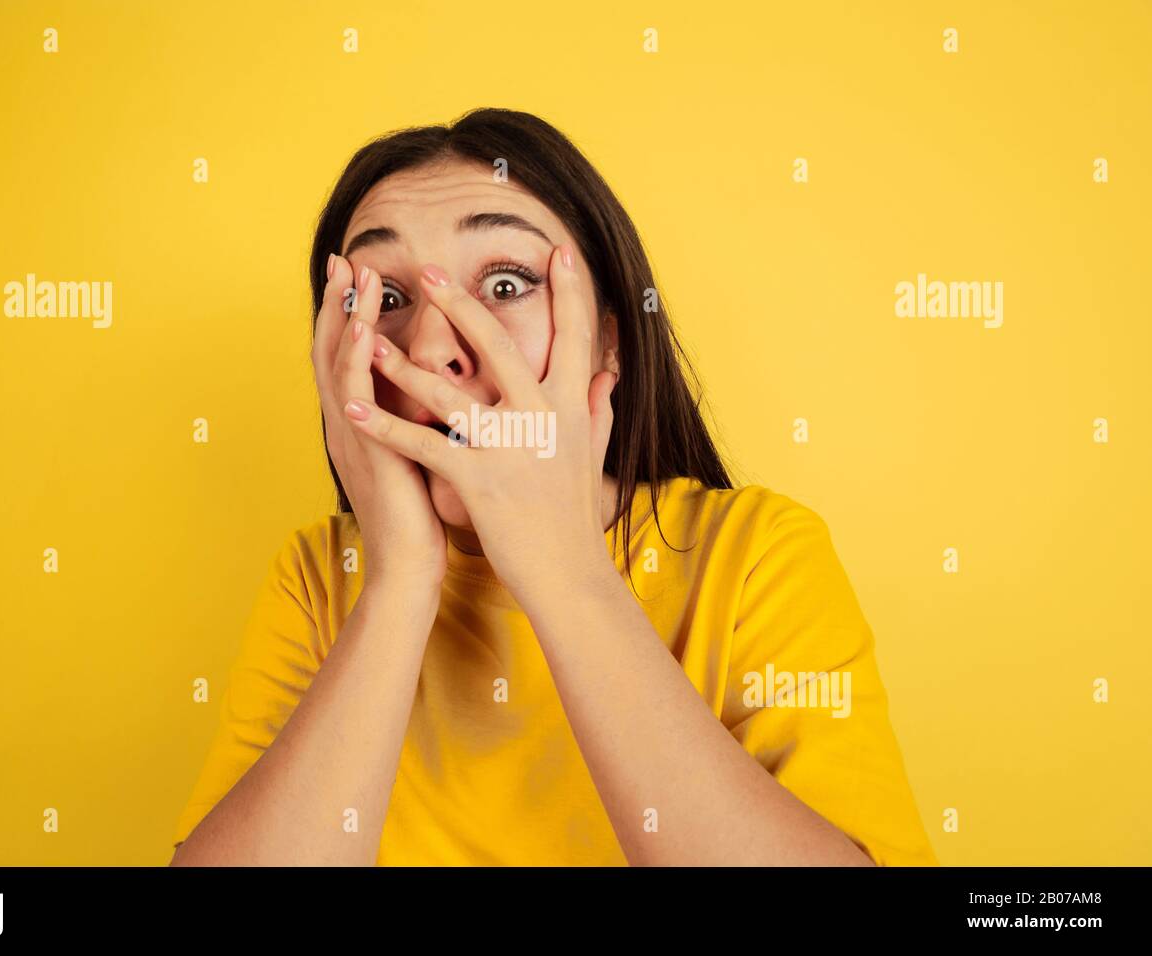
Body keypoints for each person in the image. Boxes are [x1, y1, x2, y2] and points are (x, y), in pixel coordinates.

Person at [169, 108, 937, 866]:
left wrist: (562, 567)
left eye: (504, 283)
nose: (435, 349)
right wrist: (400, 581)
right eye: (387, 300)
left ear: (607, 336)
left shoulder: (757, 554)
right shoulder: (318, 580)